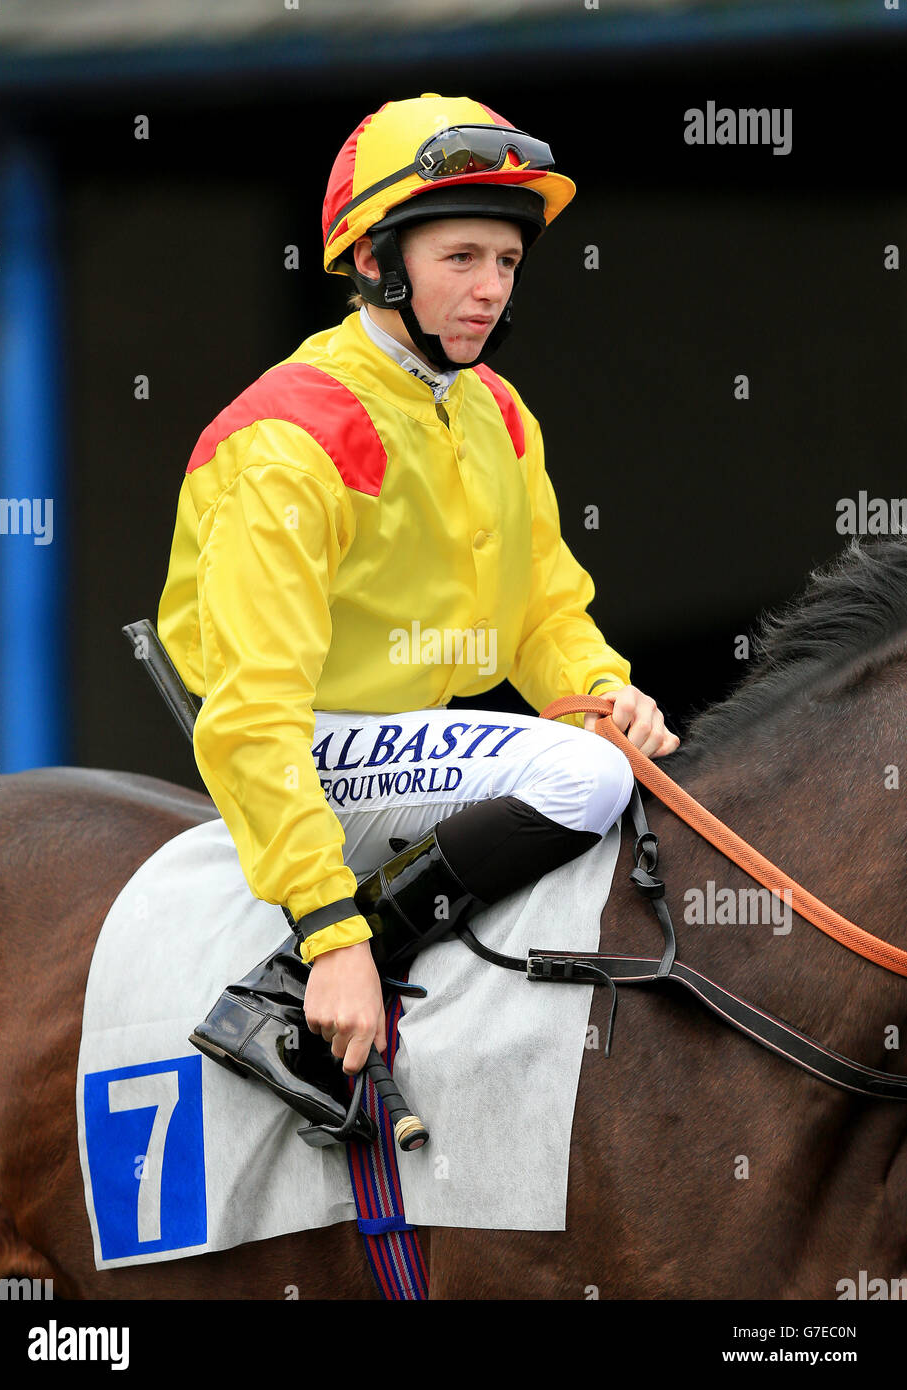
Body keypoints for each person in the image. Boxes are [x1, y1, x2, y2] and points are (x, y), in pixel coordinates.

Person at [157, 93, 679, 1143]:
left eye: (506, 261)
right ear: (376, 261)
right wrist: (330, 926)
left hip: (396, 748)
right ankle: (289, 986)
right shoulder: (289, 436)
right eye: (461, 258)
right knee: (579, 778)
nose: (490, 289)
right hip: (293, 748)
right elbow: (253, 713)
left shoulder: (493, 408)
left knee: (624, 764)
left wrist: (599, 689)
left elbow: (542, 611)